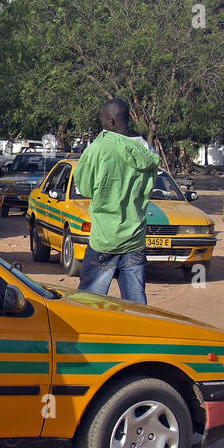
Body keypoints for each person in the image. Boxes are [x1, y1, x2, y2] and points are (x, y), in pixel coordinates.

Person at [72, 98, 158, 303]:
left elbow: (83, 187)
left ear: (111, 121)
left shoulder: (99, 148)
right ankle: (138, 335)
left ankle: (91, 336)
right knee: (137, 306)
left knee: (89, 303)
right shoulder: (146, 150)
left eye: (102, 121)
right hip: (135, 238)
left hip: (104, 239)